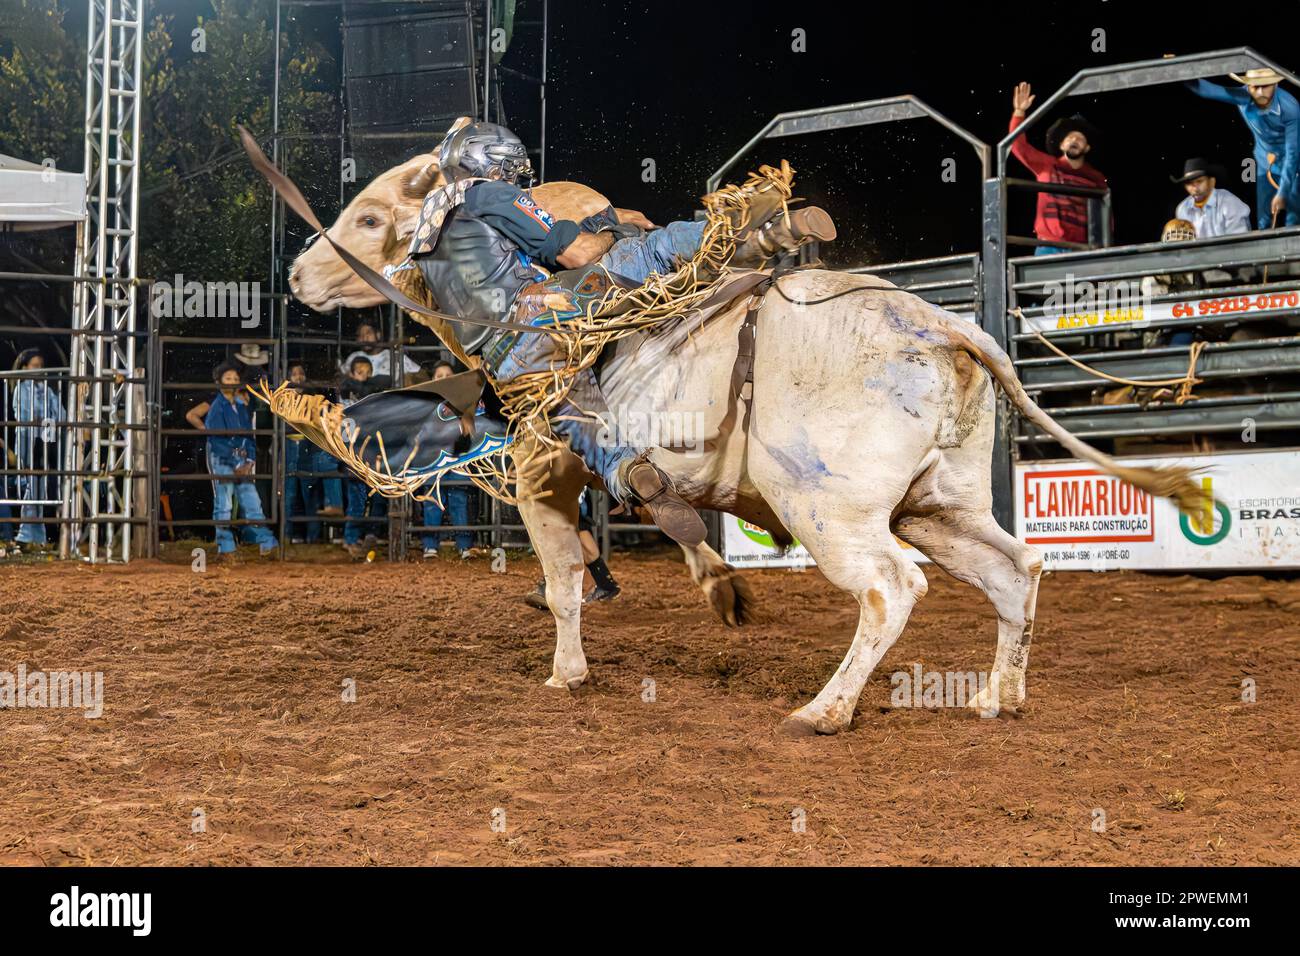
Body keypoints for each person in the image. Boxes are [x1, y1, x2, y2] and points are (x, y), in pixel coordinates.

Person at [406, 119, 837, 548]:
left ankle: (633, 475)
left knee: (593, 431)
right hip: (549, 313)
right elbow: (575, 252)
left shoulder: (427, 235)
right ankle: (760, 235)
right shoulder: (488, 194)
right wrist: (612, 228)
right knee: (654, 247)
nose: (515, 176)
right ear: (490, 161)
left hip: (509, 364)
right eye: (510, 166)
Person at [1188, 69, 1300, 229]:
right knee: (1264, 218)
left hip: (1295, 163)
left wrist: (1282, 193)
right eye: (1254, 87)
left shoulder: (1290, 107)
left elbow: (1293, 153)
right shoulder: (1243, 96)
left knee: (1293, 215)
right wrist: (1178, 70)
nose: (1260, 92)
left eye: (1265, 86)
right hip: (1264, 162)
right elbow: (1206, 90)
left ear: (1275, 83)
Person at [188, 362, 278, 557]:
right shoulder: (218, 406)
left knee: (248, 500)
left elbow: (248, 434)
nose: (233, 382)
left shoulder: (239, 405)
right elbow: (218, 439)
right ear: (219, 382)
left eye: (235, 379)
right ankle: (228, 546)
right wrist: (239, 461)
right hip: (224, 458)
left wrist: (249, 460)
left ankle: (263, 542)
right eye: (228, 379)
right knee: (226, 501)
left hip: (238, 457)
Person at [1009, 83, 1109, 254]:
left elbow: (1105, 216)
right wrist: (1019, 113)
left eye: (1080, 138)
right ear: (1061, 145)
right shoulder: (1047, 165)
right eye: (1069, 138)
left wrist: (1103, 248)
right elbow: (1018, 147)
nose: (1074, 140)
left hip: (1083, 249)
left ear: (1086, 148)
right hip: (1049, 246)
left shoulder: (1096, 178)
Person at [524, 488, 621, 608]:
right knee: (578, 531)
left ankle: (547, 588)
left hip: (568, 488)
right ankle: (606, 584)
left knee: (563, 530)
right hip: (573, 488)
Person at [420, 361, 477, 559]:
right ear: (432, 380)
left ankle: (464, 545)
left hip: (458, 457)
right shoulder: (426, 401)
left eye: (448, 375)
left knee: (459, 500)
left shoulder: (463, 400)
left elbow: (472, 424)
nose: (444, 379)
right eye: (439, 376)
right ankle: (430, 545)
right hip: (434, 457)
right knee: (432, 500)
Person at [10, 349, 64, 549]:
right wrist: (39, 421)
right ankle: (29, 534)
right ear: (24, 368)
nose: (38, 369)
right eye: (34, 366)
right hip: (28, 440)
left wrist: (50, 422)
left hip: (45, 440)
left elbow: (60, 412)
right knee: (32, 485)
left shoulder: (46, 389)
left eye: (40, 366)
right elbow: (23, 415)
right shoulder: (21, 388)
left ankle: (33, 535)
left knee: (39, 487)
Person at [339, 355, 389, 555]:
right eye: (360, 373)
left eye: (368, 373)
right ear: (351, 374)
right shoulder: (345, 396)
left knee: (378, 496)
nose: (365, 377)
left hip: (372, 450)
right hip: (355, 452)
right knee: (357, 499)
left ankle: (370, 535)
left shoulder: (372, 394)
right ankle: (351, 538)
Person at [1170, 158, 1251, 238]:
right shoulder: (1182, 208)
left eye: (1199, 181)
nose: (1194, 188)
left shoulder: (1229, 203)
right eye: (1189, 184)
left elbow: (1239, 243)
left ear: (1212, 182)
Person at [339, 321, 423, 384]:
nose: (364, 337)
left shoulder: (395, 356)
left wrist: (409, 377)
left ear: (378, 335)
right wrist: (348, 377)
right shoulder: (354, 356)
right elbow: (340, 376)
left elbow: (422, 374)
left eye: (368, 333)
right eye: (360, 335)